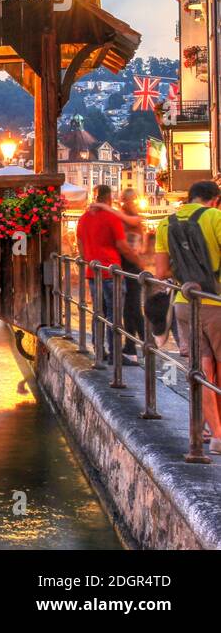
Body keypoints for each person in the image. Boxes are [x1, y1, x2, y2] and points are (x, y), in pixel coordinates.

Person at [154, 180, 221, 454]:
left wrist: (185, 273)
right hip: (216, 302)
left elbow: (160, 272)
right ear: (214, 200)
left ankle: (216, 435)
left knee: (202, 371)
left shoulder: (165, 223)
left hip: (185, 302)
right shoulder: (215, 217)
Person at [76, 184, 142, 365]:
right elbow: (122, 245)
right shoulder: (111, 217)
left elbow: (80, 244)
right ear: (109, 198)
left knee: (98, 313)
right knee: (115, 314)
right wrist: (138, 261)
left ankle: (99, 351)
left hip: (92, 271)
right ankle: (115, 354)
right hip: (111, 271)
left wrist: (88, 259)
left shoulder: (83, 218)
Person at [89, 188, 148, 359]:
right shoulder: (119, 217)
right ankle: (131, 346)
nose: (124, 203)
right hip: (123, 265)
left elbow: (127, 221)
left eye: (126, 200)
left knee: (133, 308)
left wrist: (104, 206)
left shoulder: (133, 218)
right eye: (123, 200)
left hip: (132, 265)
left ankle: (144, 343)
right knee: (127, 309)